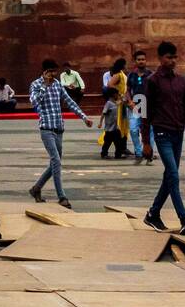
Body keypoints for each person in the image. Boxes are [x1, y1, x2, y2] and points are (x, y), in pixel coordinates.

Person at [28, 58, 93, 210]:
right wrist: (44, 85)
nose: (53, 75)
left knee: (54, 164)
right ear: (44, 72)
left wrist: (84, 117)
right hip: (46, 129)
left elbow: (69, 102)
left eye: (54, 72)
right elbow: (34, 103)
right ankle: (61, 196)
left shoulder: (58, 85)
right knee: (56, 161)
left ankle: (36, 188)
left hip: (59, 129)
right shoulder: (36, 85)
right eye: (50, 72)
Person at [141, 41, 185, 233]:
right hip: (162, 133)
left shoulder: (181, 81)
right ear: (160, 58)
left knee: (170, 176)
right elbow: (145, 112)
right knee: (174, 176)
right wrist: (145, 142)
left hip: (178, 133)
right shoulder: (152, 81)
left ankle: (153, 214)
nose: (172, 61)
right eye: (169, 57)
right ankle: (184, 218)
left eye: (174, 57)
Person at [127, 50, 154, 163]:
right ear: (135, 61)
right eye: (139, 59)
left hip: (148, 107)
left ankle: (149, 154)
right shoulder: (131, 75)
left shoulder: (151, 75)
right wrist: (129, 101)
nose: (141, 61)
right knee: (133, 130)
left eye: (143, 59)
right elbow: (127, 90)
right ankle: (139, 153)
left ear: (146, 60)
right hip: (135, 106)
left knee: (150, 131)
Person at [103, 58, 130, 157]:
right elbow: (110, 85)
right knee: (119, 126)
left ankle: (123, 147)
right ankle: (120, 149)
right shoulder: (118, 75)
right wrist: (119, 94)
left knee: (124, 126)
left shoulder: (121, 74)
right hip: (119, 103)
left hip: (123, 103)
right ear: (122, 65)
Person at [99, 87, 123, 159]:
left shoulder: (115, 103)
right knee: (107, 142)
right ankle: (104, 154)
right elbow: (103, 113)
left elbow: (120, 102)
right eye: (117, 94)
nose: (118, 96)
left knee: (118, 142)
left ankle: (118, 155)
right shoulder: (108, 103)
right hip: (109, 128)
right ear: (113, 95)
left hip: (115, 127)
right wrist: (100, 123)